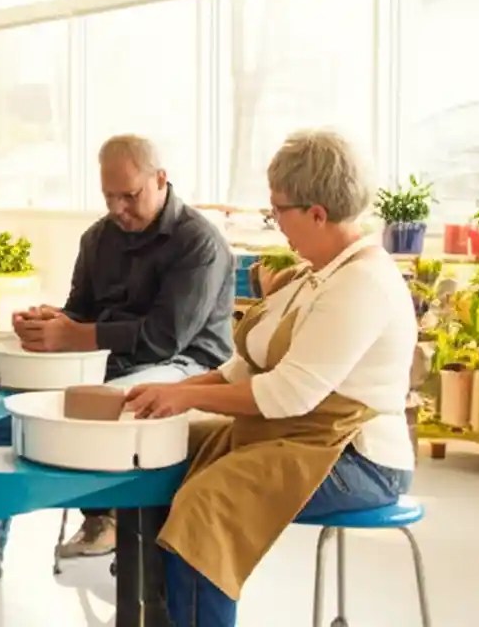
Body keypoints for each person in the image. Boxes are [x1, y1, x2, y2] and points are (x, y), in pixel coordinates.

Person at [125, 129, 416, 626]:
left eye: (277, 210)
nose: (274, 221)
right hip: (295, 434)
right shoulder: (315, 273)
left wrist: (186, 398)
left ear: (317, 213)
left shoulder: (362, 284)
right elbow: (245, 368)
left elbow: (289, 394)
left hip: (355, 456)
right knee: (160, 458)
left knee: (206, 504)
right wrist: (172, 394)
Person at [0, 134, 235, 581]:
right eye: (108, 196)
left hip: (190, 366)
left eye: (130, 195)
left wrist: (75, 334)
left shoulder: (199, 243)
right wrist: (49, 321)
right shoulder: (99, 237)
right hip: (109, 362)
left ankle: (126, 531)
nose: (118, 208)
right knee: (0, 411)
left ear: (161, 180)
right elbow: (81, 311)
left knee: (95, 403)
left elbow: (165, 338)